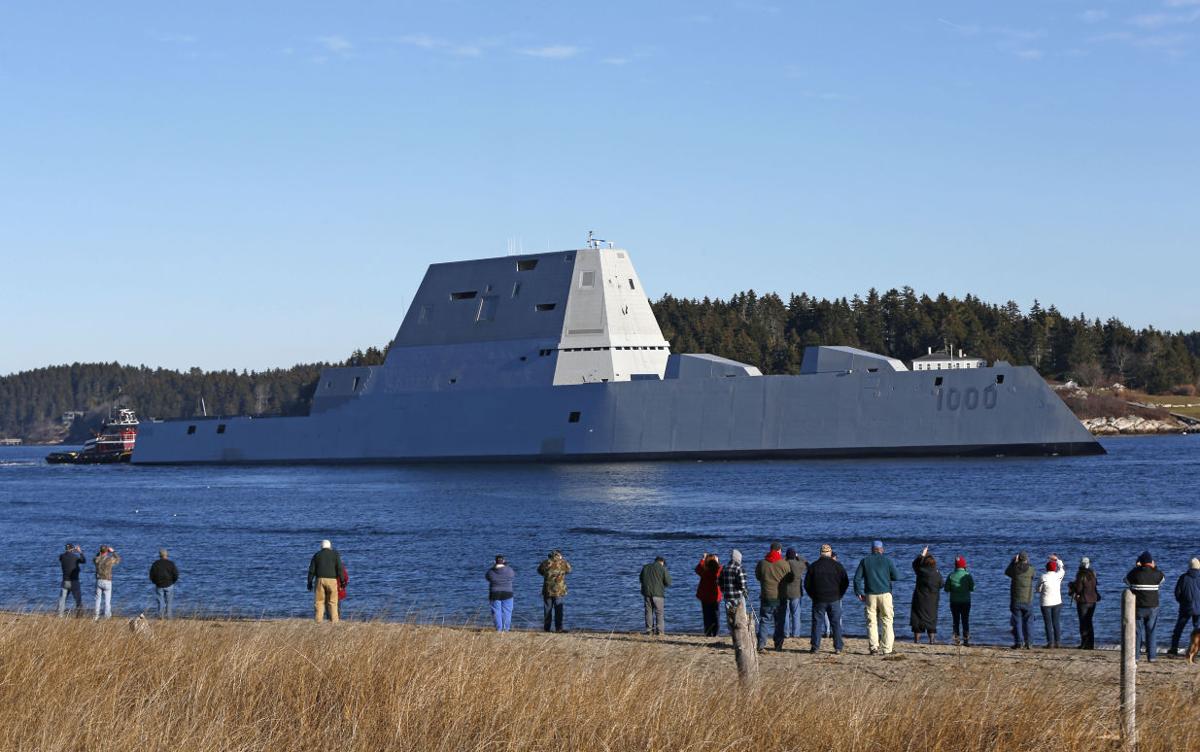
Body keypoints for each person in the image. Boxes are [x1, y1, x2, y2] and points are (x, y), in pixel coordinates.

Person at [853, 540, 901, 655]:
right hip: (885, 594)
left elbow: (856, 579)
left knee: (871, 621)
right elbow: (896, 576)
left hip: (870, 595)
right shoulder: (887, 561)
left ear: (871, 549)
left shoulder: (865, 561)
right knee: (887, 620)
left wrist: (858, 592)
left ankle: (874, 647)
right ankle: (887, 649)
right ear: (882, 549)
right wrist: (886, 576)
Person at [804, 543, 849, 654]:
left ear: (820, 553)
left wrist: (813, 596)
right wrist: (840, 594)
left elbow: (807, 585)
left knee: (817, 622)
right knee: (836, 623)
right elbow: (845, 582)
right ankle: (838, 647)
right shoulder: (838, 566)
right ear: (830, 553)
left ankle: (815, 647)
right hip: (834, 598)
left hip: (819, 599)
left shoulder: (814, 566)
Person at [1125, 550, 1165, 662]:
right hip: (1153, 606)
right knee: (1151, 631)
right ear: (1151, 562)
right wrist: (1154, 568)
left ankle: (1136, 657)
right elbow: (1162, 580)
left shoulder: (1135, 573)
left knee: (1137, 632)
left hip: (1138, 607)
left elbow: (1126, 581)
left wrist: (1136, 568)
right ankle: (1152, 657)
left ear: (1140, 562)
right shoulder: (1156, 573)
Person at [754, 541, 790, 652]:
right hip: (780, 597)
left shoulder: (762, 563)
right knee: (779, 622)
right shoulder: (784, 564)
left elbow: (758, 576)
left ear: (770, 550)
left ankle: (761, 645)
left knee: (764, 620)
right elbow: (789, 579)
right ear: (779, 551)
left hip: (766, 596)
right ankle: (778, 645)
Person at [306, 539, 345, 623]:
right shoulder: (335, 555)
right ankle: (334, 622)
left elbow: (311, 570)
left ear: (321, 547)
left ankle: (318, 621)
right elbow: (340, 569)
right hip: (332, 580)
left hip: (320, 580)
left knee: (319, 602)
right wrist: (342, 581)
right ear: (330, 546)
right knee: (333, 602)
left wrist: (309, 582)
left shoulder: (317, 555)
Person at [910, 547, 943, 644]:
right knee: (931, 620)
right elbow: (941, 585)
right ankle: (932, 640)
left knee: (917, 620)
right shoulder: (937, 574)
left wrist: (922, 554)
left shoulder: (920, 572)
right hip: (932, 601)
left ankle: (916, 640)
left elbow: (914, 564)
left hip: (919, 600)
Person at [1169, 558, 1200, 657]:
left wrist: (1182, 602)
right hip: (1199, 609)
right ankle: (1196, 650)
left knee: (1178, 629)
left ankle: (1174, 649)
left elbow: (1177, 593)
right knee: (1197, 630)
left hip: (1186, 607)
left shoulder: (1183, 577)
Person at [1004, 551, 1035, 649]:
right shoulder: (1031, 569)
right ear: (1027, 559)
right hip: (1028, 600)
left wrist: (1013, 561)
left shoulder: (1014, 569)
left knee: (1017, 622)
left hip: (1016, 600)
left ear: (1018, 559)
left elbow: (1006, 572)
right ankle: (1029, 643)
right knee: (1029, 622)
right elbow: (1033, 576)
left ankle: (1019, 643)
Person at [1067, 557, 1100, 650]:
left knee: (1083, 622)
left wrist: (1071, 585)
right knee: (1089, 622)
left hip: (1083, 601)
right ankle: (1091, 644)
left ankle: (1084, 643)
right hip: (1093, 600)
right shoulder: (1092, 573)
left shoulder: (1080, 574)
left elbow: (1078, 589)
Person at [537, 549, 571, 633]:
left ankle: (547, 628)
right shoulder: (563, 562)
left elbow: (539, 571)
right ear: (559, 555)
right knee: (558, 609)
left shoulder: (545, 562)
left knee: (547, 609)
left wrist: (547, 575)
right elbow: (569, 570)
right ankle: (558, 628)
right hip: (559, 590)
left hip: (547, 589)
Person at [944, 555, 975, 646]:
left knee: (955, 621)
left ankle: (957, 640)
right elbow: (972, 588)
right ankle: (966, 641)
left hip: (954, 602)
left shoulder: (951, 575)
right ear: (964, 565)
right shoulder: (967, 575)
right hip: (966, 601)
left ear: (955, 565)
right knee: (965, 620)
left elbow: (946, 589)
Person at [1038, 554, 1066, 648]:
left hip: (1046, 602)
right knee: (1056, 622)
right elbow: (1062, 568)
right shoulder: (1058, 575)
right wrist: (1057, 559)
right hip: (1057, 602)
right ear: (1054, 569)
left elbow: (1038, 589)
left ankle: (1050, 643)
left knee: (1048, 623)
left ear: (1046, 568)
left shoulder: (1043, 577)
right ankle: (1058, 642)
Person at [719, 549, 749, 634]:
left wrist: (724, 590)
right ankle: (741, 634)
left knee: (730, 617)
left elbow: (719, 582)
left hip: (727, 596)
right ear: (738, 558)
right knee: (741, 616)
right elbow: (743, 585)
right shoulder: (739, 568)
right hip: (738, 596)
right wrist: (746, 592)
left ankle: (732, 633)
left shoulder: (724, 568)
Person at [639, 556, 672, 636]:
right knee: (659, 613)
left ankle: (649, 631)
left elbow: (641, 579)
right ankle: (660, 632)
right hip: (658, 594)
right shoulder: (662, 568)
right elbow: (668, 582)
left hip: (647, 593)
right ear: (662, 562)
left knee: (648, 612)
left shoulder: (645, 567)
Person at [782, 548, 808, 639]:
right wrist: (798, 556)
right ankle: (796, 634)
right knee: (796, 614)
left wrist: (785, 558)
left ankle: (786, 634)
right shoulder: (799, 565)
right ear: (794, 556)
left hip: (784, 592)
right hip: (796, 592)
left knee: (785, 613)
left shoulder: (783, 564)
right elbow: (806, 563)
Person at [694, 553, 723, 637]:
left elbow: (697, 569)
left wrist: (703, 559)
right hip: (715, 596)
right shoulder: (717, 572)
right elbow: (720, 569)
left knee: (707, 615)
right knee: (716, 615)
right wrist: (717, 561)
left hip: (705, 597)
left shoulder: (705, 571)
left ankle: (708, 632)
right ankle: (715, 633)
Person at [485, 555, 515, 632]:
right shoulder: (509, 570)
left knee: (496, 611)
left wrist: (493, 566)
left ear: (495, 562)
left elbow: (487, 577)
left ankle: (499, 629)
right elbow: (512, 576)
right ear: (504, 561)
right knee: (507, 611)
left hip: (494, 592)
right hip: (507, 592)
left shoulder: (491, 571)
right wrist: (506, 565)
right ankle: (506, 629)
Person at [148, 548, 179, 620]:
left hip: (159, 585)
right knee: (169, 602)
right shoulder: (171, 564)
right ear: (167, 555)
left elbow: (151, 575)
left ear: (159, 555)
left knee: (160, 602)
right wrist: (172, 582)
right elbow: (176, 575)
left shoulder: (155, 564)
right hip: (169, 585)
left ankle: (160, 617)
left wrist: (155, 582)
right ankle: (169, 617)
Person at [57, 543, 86, 616]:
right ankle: (79, 615)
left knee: (62, 600)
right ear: (72, 549)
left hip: (65, 581)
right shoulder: (75, 557)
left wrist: (72, 550)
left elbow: (61, 557)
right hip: (74, 582)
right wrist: (80, 552)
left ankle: (60, 615)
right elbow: (83, 561)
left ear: (66, 549)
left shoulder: (62, 557)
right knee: (77, 599)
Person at [93, 545, 120, 620]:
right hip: (107, 581)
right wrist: (113, 552)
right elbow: (118, 560)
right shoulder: (109, 559)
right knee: (107, 601)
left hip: (99, 581)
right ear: (107, 552)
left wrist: (100, 553)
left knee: (97, 600)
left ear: (100, 551)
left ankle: (96, 616)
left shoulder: (97, 560)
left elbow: (95, 558)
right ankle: (107, 617)